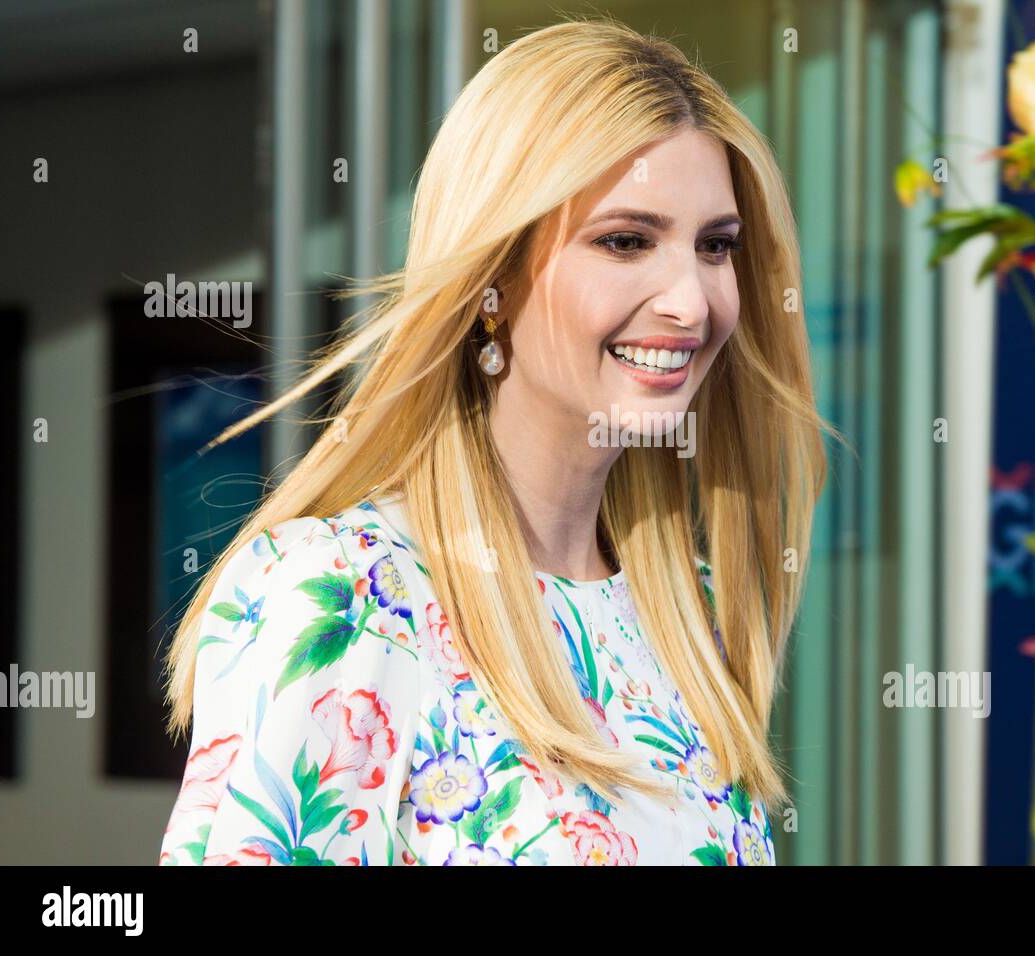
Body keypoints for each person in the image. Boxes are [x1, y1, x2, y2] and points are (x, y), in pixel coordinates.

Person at [157, 16, 828, 866]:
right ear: (493, 279)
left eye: (715, 247)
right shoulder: (347, 595)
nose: (691, 302)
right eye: (626, 241)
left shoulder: (687, 616)